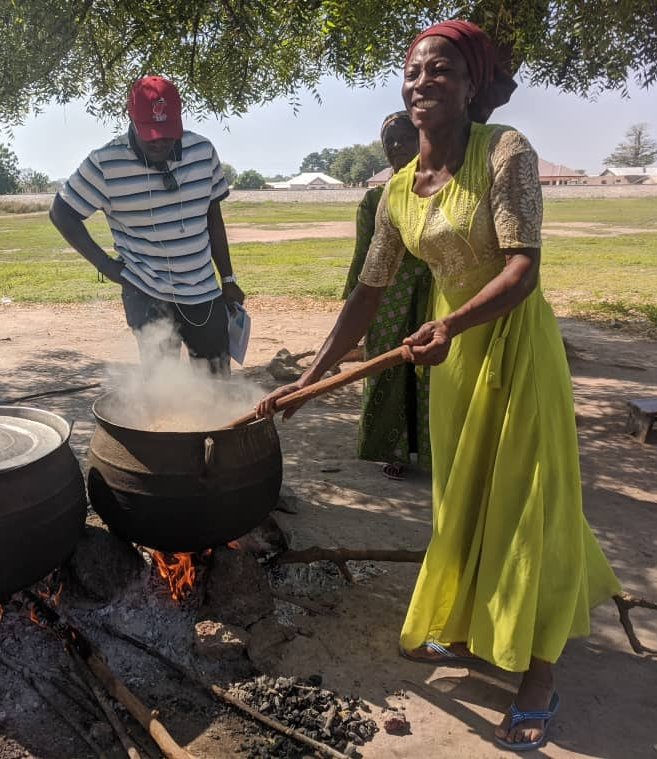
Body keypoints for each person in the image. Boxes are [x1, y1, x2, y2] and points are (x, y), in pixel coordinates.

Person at [257, 20, 622, 752]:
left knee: (527, 506)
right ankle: (469, 630)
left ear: (473, 85)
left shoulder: (505, 152)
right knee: (465, 499)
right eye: (415, 71)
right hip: (454, 365)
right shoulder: (398, 189)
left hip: (513, 347)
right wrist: (310, 377)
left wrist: (452, 326)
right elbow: (367, 293)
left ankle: (538, 674)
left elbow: (524, 267)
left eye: (443, 71)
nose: (425, 81)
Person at [49, 75, 243, 376]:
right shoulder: (105, 163)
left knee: (217, 380)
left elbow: (212, 217)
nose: (160, 142)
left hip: (203, 291)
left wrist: (228, 279)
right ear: (132, 119)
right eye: (151, 134)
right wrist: (108, 267)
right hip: (146, 291)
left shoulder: (202, 152)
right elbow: (61, 212)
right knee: (161, 386)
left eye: (167, 134)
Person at [343, 111, 432, 479]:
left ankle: (432, 450)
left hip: (432, 297)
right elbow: (363, 255)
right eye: (389, 141)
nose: (396, 146)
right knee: (387, 371)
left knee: (431, 374)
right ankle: (390, 450)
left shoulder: (443, 190)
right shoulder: (375, 200)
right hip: (386, 301)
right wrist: (352, 306)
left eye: (405, 138)